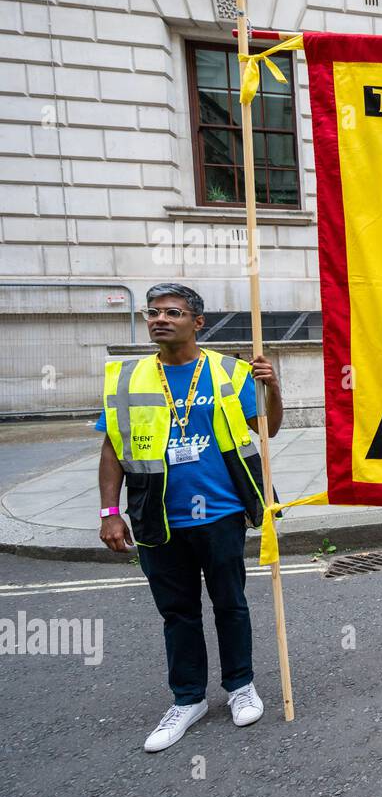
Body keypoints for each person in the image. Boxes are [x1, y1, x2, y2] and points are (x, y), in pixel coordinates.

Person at [96, 283, 283, 752]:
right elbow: (112, 448)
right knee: (176, 613)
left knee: (230, 603)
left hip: (221, 514)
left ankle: (240, 686)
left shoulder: (227, 370)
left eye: (172, 312)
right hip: (157, 516)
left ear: (197, 323)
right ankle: (188, 699)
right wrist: (109, 512)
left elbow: (268, 430)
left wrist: (272, 387)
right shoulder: (127, 378)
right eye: (153, 312)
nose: (159, 319)